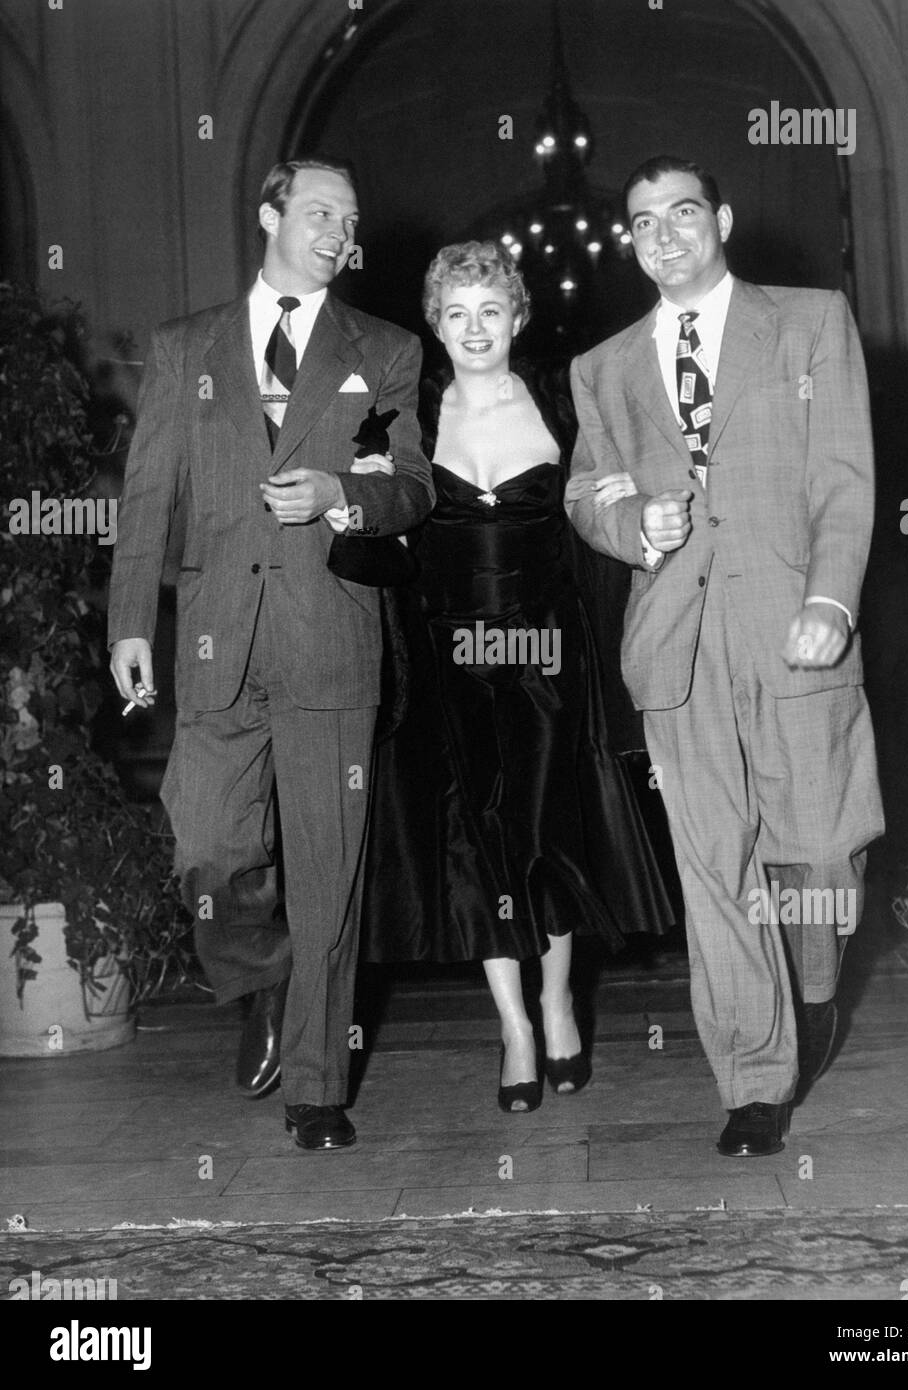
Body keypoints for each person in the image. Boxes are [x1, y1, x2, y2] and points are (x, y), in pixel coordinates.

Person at [108, 159, 434, 1151]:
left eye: (351, 214)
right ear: (270, 214)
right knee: (206, 841)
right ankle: (258, 972)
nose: (341, 228)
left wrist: (342, 491)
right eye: (322, 210)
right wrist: (129, 622)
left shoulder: (383, 350)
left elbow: (415, 486)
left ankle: (318, 1087)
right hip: (217, 641)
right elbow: (147, 497)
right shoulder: (184, 348)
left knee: (328, 873)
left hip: (329, 636)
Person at [565, 156, 884, 1156]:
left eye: (683, 212)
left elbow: (844, 475)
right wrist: (633, 524)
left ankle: (818, 982)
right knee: (714, 868)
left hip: (794, 625)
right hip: (677, 646)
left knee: (822, 846)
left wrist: (831, 598)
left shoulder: (809, 321)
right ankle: (752, 1077)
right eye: (643, 219)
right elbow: (587, 493)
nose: (664, 233)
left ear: (723, 220)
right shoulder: (603, 367)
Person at [353, 241, 673, 1112]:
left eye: (489, 308)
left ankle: (559, 1002)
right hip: (448, 655)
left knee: (544, 826)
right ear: (435, 324)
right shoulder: (407, 412)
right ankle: (516, 1028)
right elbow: (371, 525)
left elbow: (608, 503)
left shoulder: (565, 398)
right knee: (476, 837)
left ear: (518, 314)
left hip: (545, 648)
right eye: (455, 313)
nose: (474, 327)